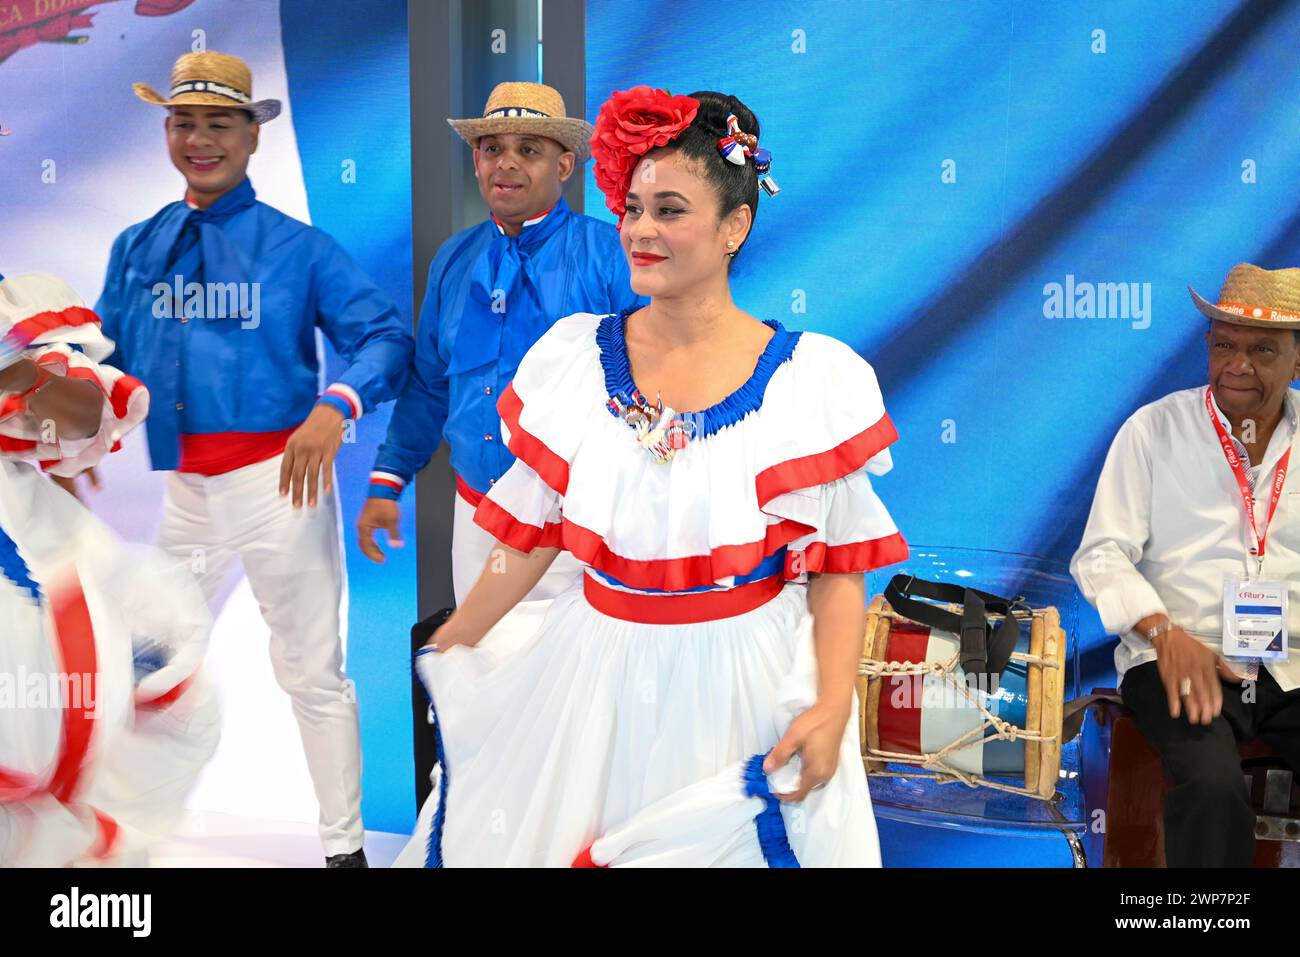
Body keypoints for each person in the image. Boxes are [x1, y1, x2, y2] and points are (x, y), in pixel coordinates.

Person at [394, 87, 908, 867]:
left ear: (734, 226)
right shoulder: (572, 360)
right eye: (633, 207)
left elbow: (838, 567)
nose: (639, 230)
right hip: (593, 679)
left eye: (670, 210)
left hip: (742, 688)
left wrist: (835, 702)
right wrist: (456, 641)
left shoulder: (814, 381)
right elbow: (531, 537)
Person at [91, 51, 414, 867]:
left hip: (280, 484)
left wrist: (336, 407)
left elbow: (385, 339)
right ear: (168, 130)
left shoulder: (297, 249)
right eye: (184, 121)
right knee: (142, 661)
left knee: (311, 673)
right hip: (186, 494)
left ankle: (344, 850)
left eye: (218, 122)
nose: (199, 138)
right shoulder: (137, 246)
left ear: (251, 135)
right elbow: (100, 353)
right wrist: (69, 413)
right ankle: (117, 833)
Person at [359, 81, 641, 617]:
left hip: (575, 522)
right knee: (480, 677)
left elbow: (655, 386)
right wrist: (387, 478)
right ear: (475, 161)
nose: (506, 163)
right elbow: (428, 384)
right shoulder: (453, 258)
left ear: (563, 166)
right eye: (493, 149)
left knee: (573, 689)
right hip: (475, 516)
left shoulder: (612, 256)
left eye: (528, 149)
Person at [1072, 262, 1300, 867]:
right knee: (1211, 788)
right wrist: (1162, 632)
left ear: (1298, 362)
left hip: (1294, 667)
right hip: (1179, 656)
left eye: (1263, 350)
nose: (1238, 364)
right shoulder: (1153, 431)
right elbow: (1100, 555)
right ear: (1207, 345)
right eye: (1224, 344)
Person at [0, 271, 218, 867]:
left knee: (164, 673)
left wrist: (19, 378)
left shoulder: (13, 310)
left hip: (32, 535)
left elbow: (81, 409)